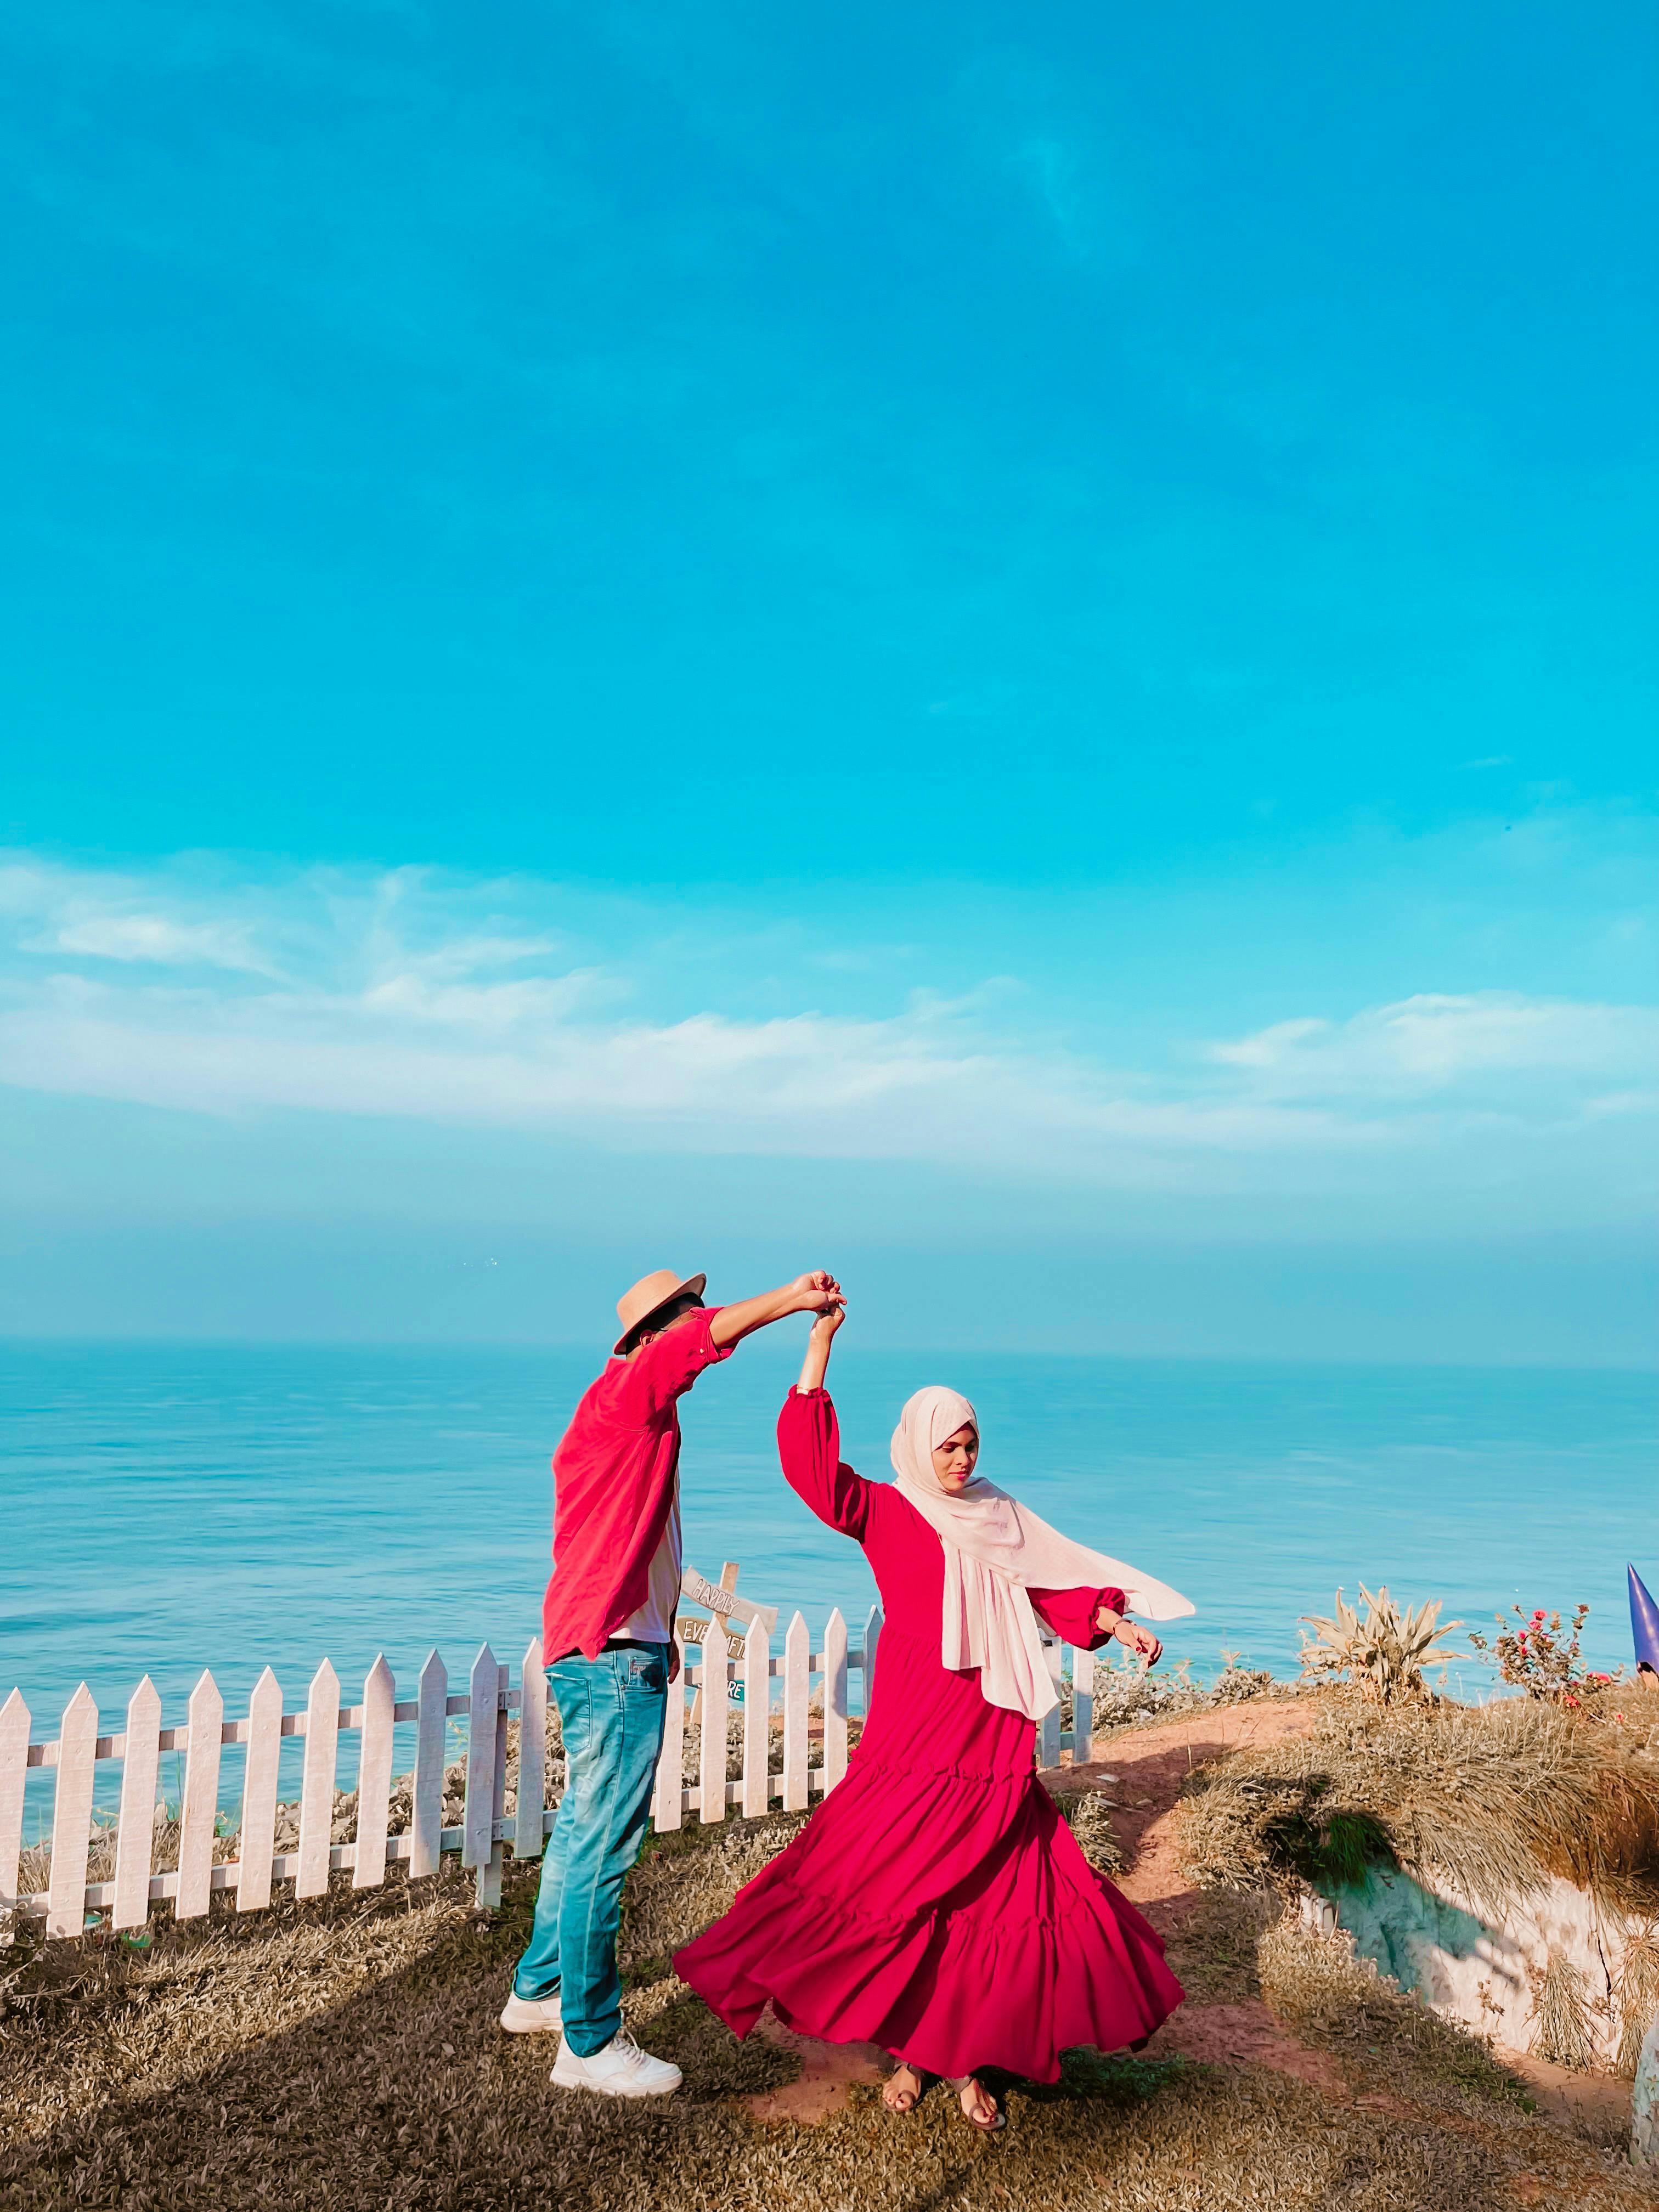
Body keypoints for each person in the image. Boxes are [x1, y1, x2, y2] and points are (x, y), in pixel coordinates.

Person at [674, 1304, 1191, 2131]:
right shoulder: (884, 1507)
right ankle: (912, 2053)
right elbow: (812, 1473)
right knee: (893, 1878)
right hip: (914, 1730)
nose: (959, 1459)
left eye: (969, 1444)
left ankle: (962, 2063)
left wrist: (1117, 1622)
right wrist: (819, 1346)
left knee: (985, 1889)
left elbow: (1053, 1583)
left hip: (988, 1726)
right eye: (946, 1445)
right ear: (919, 1444)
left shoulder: (999, 1513)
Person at [500, 1264, 845, 2098]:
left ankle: (538, 1991)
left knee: (583, 1830)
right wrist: (793, 1302)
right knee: (601, 1848)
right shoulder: (628, 1389)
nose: (705, 1324)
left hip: (612, 1643)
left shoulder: (620, 1414)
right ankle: (588, 2043)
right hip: (612, 1655)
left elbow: (632, 1542)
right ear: (658, 1331)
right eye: (692, 1314)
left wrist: (658, 1633)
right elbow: (703, 1341)